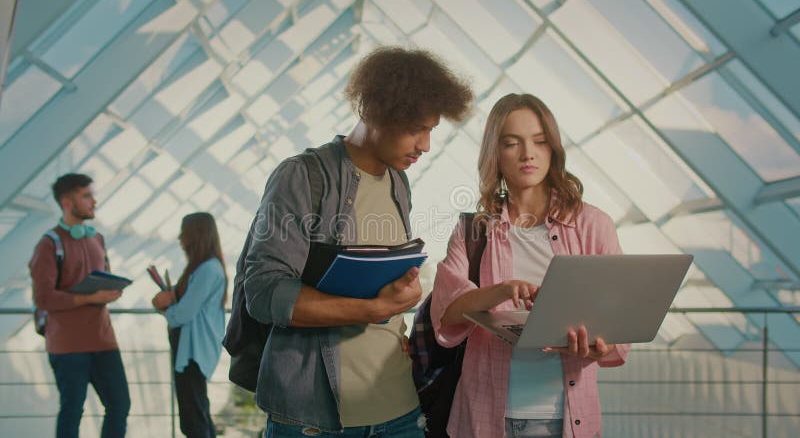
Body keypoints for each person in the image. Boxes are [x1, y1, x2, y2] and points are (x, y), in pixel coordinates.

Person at [243, 46, 473, 437]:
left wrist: (399, 304)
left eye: (431, 130)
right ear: (375, 110)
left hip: (399, 408)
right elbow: (264, 292)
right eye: (416, 128)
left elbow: (380, 282)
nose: (425, 145)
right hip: (314, 419)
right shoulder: (302, 176)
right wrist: (372, 309)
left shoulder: (399, 182)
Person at [430, 93, 631, 438]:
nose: (528, 154)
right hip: (481, 418)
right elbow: (446, 313)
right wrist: (501, 291)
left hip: (565, 421)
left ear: (553, 148)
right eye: (512, 143)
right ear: (495, 153)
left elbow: (618, 322)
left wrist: (600, 345)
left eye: (540, 141)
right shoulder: (474, 230)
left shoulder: (593, 225)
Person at [29, 173, 130, 438]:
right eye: (86, 196)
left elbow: (105, 276)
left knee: (120, 405)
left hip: (103, 339)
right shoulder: (49, 244)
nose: (93, 201)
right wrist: (89, 298)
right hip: (67, 344)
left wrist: (110, 292)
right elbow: (43, 298)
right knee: (72, 410)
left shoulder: (97, 239)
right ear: (66, 201)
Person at [152, 212, 227, 438]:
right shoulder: (204, 268)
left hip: (193, 351)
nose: (179, 238)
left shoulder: (207, 269)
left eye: (183, 232)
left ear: (196, 235)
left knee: (194, 419)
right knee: (196, 412)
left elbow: (183, 314)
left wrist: (165, 308)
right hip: (192, 350)